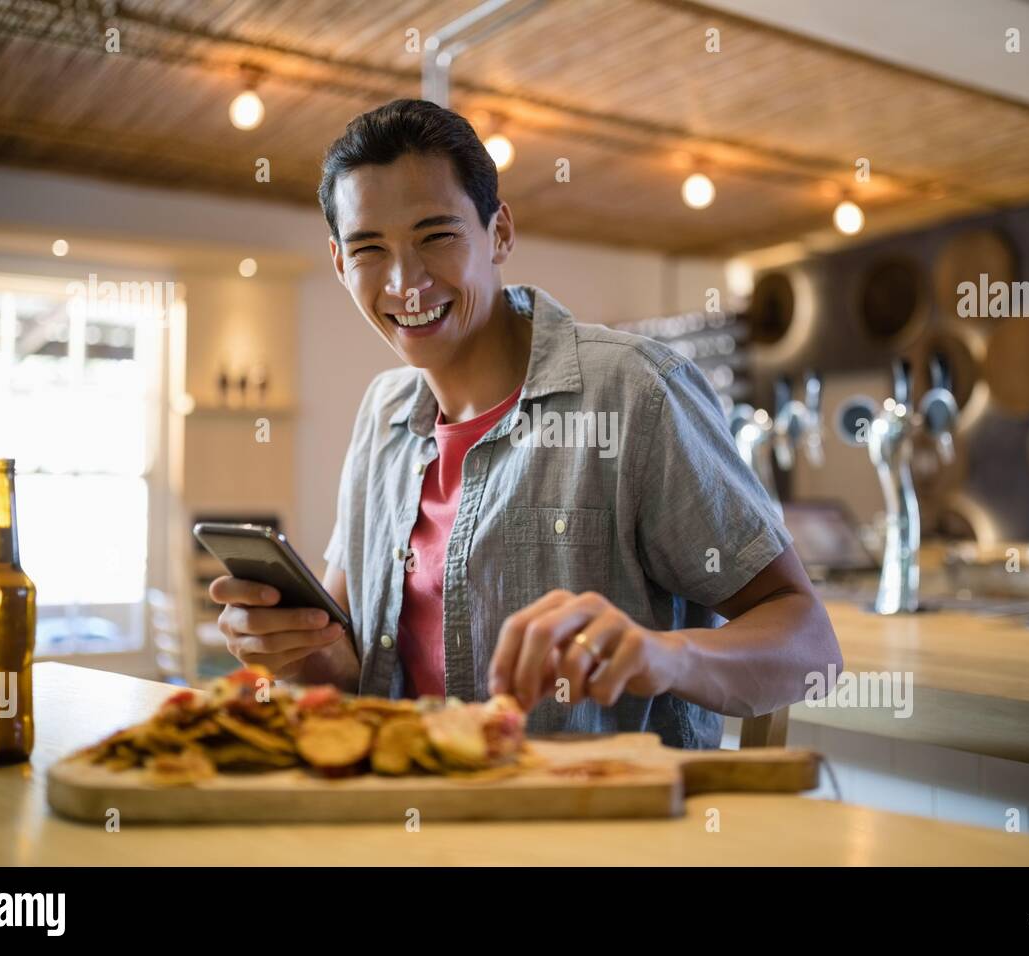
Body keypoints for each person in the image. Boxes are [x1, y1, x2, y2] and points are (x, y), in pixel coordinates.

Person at [211, 98, 841, 747]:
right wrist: (293, 649)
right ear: (341, 264)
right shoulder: (382, 413)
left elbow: (811, 649)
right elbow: (351, 672)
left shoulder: (634, 392)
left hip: (597, 827)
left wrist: (666, 655)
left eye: (436, 236)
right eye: (370, 248)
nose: (405, 282)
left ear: (500, 233)